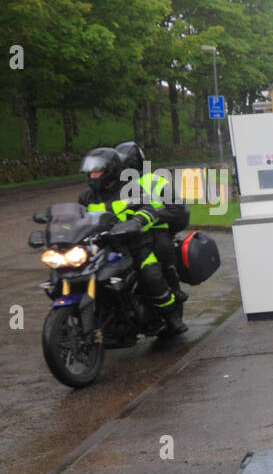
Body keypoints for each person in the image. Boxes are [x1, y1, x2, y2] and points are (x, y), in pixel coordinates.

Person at [77, 146, 187, 337]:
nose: (93, 176)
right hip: (103, 245)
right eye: (90, 172)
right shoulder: (86, 196)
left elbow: (149, 208)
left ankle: (171, 316)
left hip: (135, 244)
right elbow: (76, 218)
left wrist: (138, 221)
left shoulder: (133, 188)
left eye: (97, 172)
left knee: (151, 275)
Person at [113, 141, 189, 304]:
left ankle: (174, 291)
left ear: (134, 166)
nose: (121, 171)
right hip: (124, 234)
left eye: (124, 168)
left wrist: (150, 218)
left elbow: (178, 208)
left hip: (156, 228)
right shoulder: (112, 187)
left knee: (162, 250)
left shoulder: (154, 181)